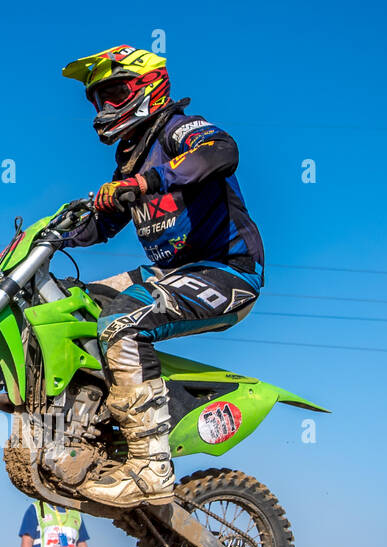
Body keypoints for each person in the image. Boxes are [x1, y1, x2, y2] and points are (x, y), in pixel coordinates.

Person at [58, 45, 265, 507]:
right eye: (97, 100)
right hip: (171, 273)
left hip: (227, 272)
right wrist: (51, 238)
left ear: (146, 87)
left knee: (121, 324)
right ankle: (86, 428)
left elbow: (221, 151)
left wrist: (146, 183)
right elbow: (100, 226)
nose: (104, 108)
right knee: (68, 302)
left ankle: (151, 467)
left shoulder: (176, 128)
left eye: (113, 93)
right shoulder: (129, 161)